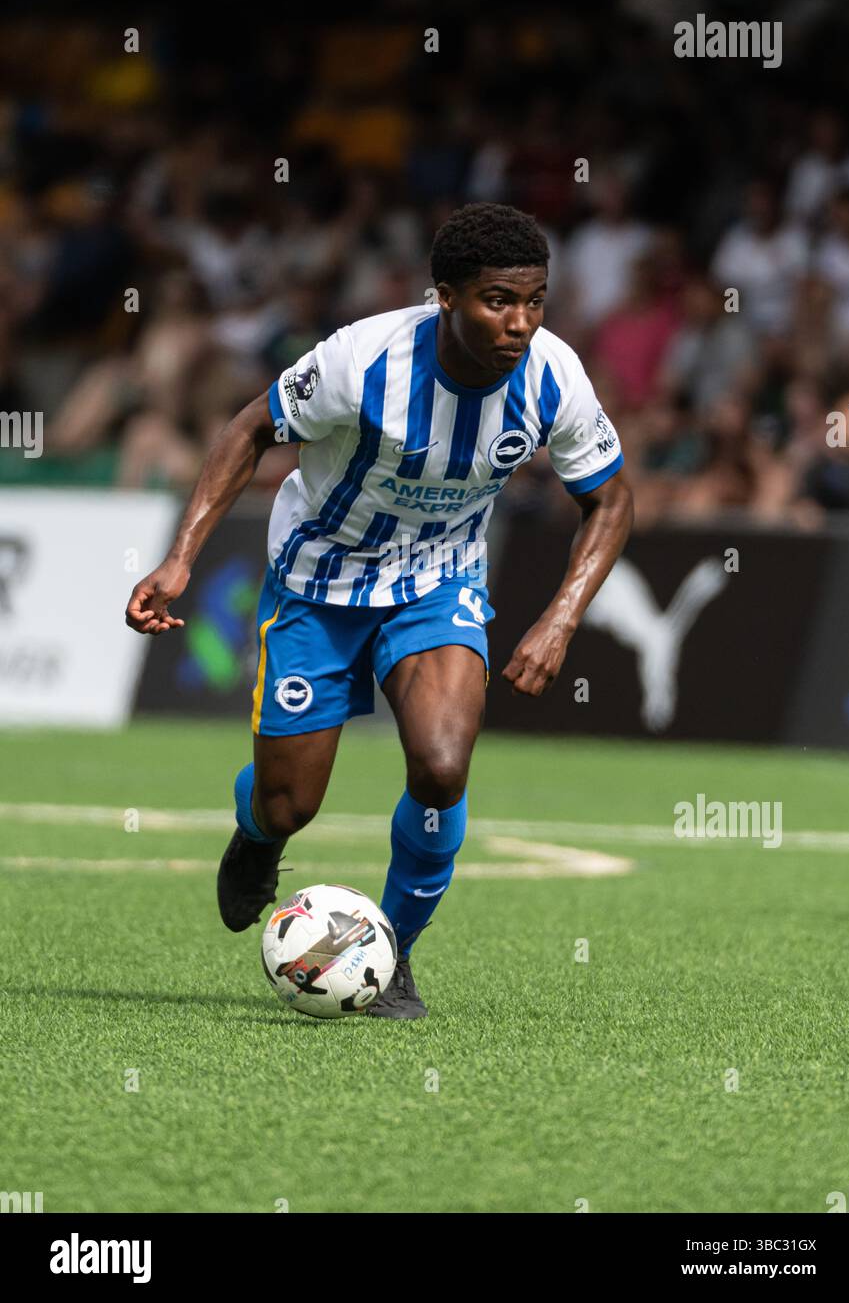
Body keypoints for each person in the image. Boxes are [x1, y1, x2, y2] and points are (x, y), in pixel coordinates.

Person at [125, 203, 633, 1018]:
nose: (519, 323)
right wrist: (181, 555)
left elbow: (610, 501)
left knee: (441, 766)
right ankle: (258, 836)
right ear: (445, 296)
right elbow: (252, 430)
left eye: (535, 301)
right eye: (497, 301)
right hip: (318, 582)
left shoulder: (554, 377)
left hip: (439, 582)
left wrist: (560, 618)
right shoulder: (361, 362)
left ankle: (390, 951)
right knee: (292, 801)